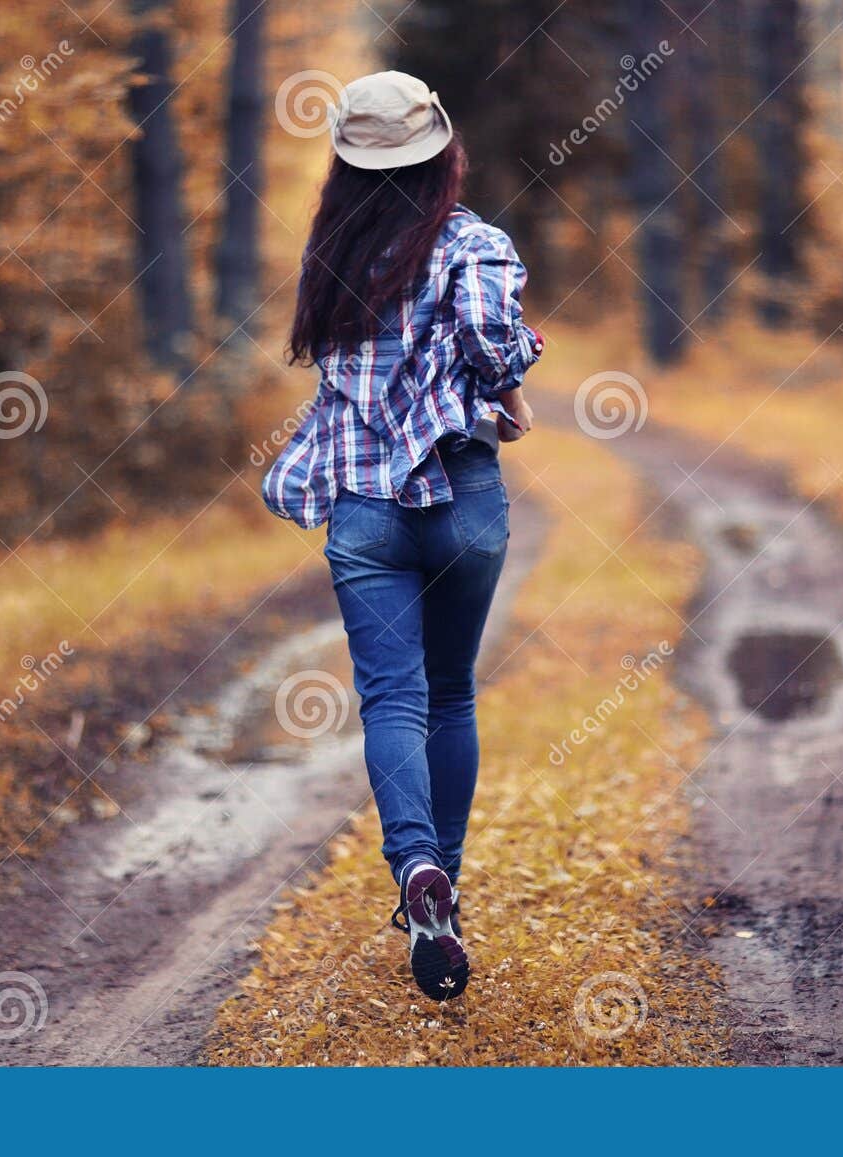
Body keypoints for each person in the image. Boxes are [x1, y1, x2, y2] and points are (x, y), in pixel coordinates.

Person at [261, 71, 543, 1001]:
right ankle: (441, 889)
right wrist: (508, 392)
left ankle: (416, 868)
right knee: (451, 690)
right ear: (441, 152)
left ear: (348, 164)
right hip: (461, 497)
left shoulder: (331, 254)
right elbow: (495, 349)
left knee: (391, 698)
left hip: (363, 507)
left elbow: (334, 367)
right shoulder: (473, 245)